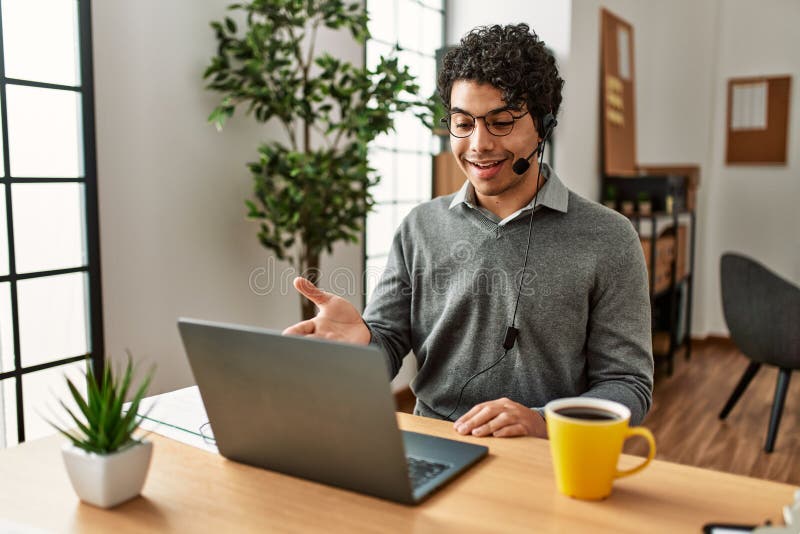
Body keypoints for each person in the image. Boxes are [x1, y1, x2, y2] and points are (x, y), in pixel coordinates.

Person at [283, 23, 653, 439]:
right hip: (432, 444)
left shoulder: (609, 238)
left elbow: (628, 384)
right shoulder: (420, 227)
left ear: (544, 126)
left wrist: (543, 422)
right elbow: (386, 344)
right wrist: (362, 343)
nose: (477, 144)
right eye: (463, 123)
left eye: (501, 122)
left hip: (546, 458)